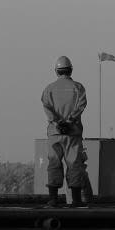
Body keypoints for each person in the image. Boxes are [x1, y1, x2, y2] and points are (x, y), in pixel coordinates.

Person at [40, 56, 88, 208]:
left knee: (54, 163)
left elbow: (47, 107)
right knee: (74, 164)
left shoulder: (49, 89)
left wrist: (57, 122)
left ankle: (53, 199)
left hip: (55, 133)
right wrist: (69, 121)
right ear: (71, 70)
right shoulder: (78, 88)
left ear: (56, 71)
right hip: (72, 133)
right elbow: (81, 105)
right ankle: (76, 200)